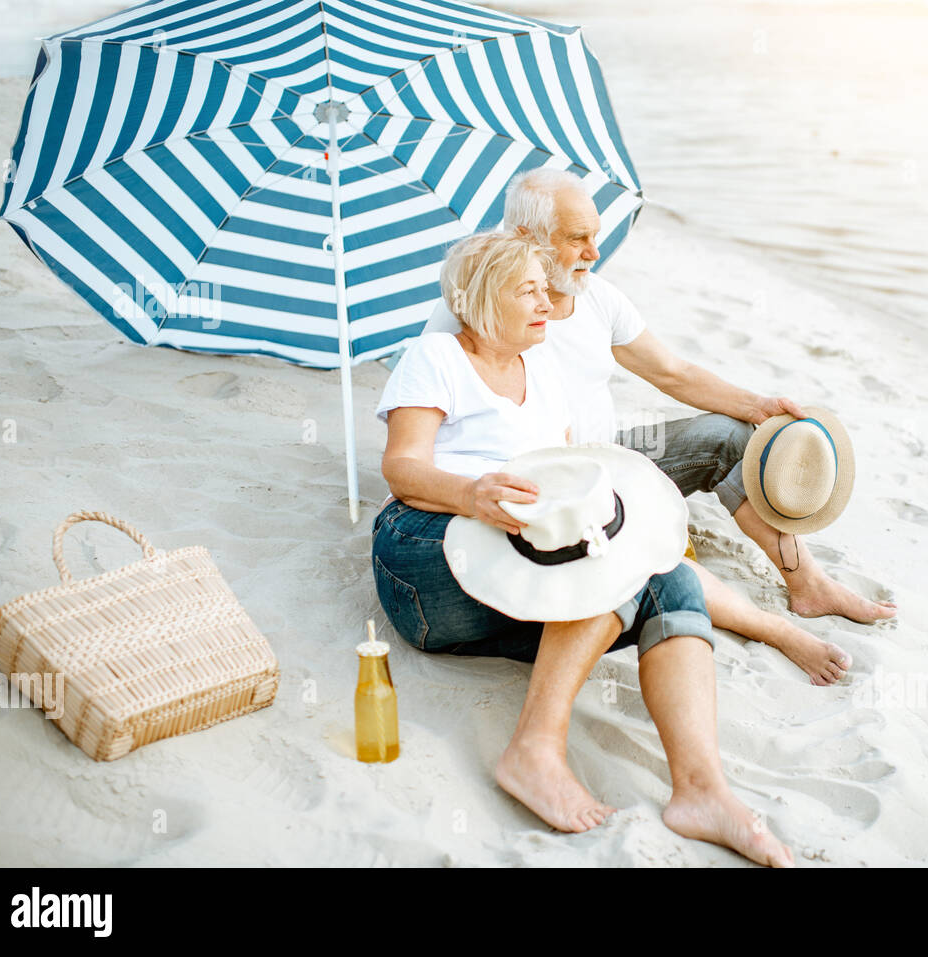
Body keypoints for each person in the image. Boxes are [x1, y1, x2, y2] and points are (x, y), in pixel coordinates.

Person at [371, 230, 795, 867]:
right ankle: (535, 750)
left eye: (546, 289)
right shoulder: (436, 358)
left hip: (518, 559)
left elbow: (567, 465)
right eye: (528, 292)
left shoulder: (541, 367)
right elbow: (401, 470)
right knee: (595, 561)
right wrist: (471, 493)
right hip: (424, 553)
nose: (548, 303)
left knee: (663, 578)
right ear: (484, 299)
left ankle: (703, 792)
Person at [421, 168, 898, 633]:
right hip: (546, 489)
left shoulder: (599, 298)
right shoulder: (472, 309)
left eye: (596, 235)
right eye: (576, 239)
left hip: (615, 458)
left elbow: (672, 372)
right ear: (527, 236)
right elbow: (430, 409)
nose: (594, 251)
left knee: (729, 436)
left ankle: (809, 585)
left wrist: (755, 406)